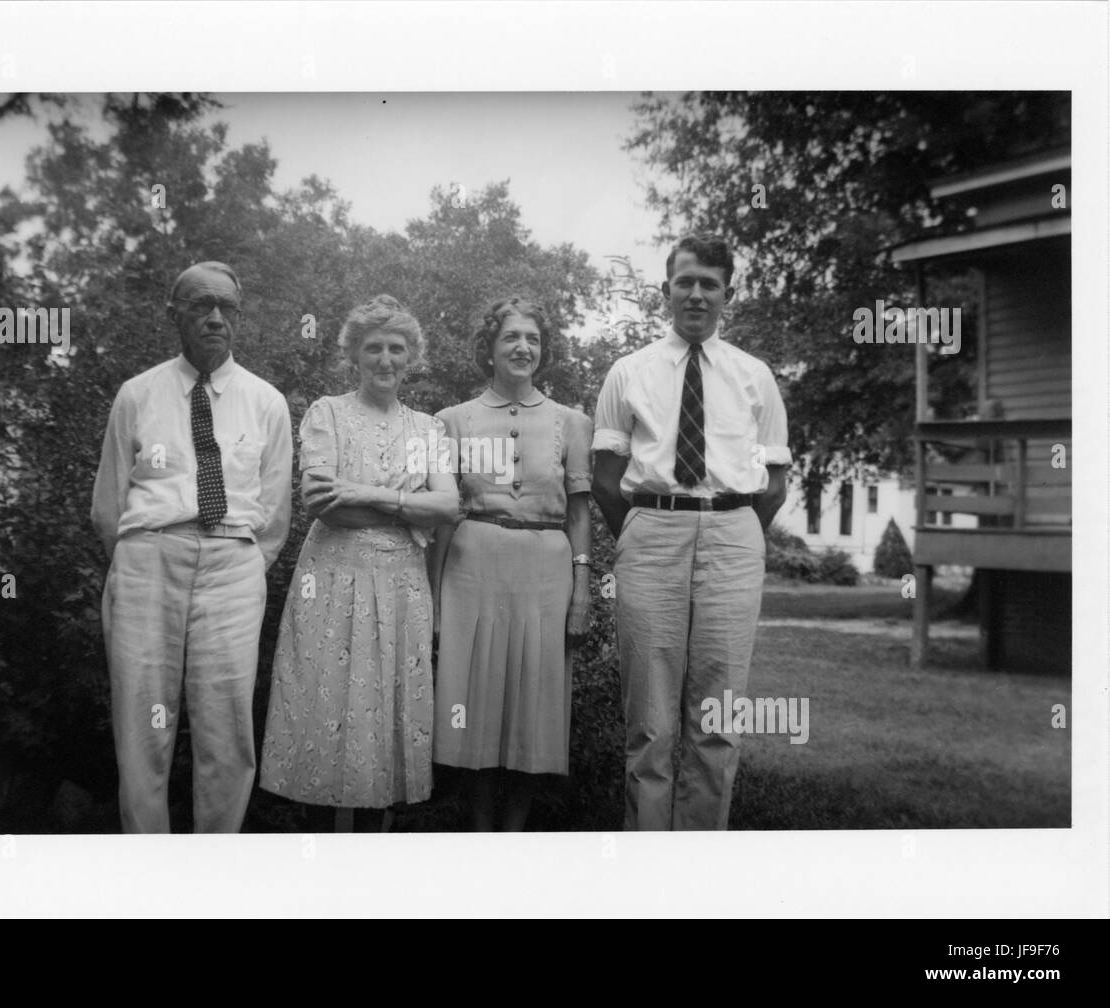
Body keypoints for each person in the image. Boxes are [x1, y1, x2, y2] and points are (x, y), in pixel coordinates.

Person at [591, 236, 791, 831]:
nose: (696, 294)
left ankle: (700, 869)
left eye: (709, 284)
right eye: (686, 282)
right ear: (665, 291)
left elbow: (774, 486)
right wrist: (649, 530)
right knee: (649, 722)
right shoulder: (629, 372)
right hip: (651, 532)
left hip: (733, 534)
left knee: (719, 719)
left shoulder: (755, 377)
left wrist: (729, 529)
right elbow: (605, 479)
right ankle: (647, 864)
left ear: (728, 294)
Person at [91, 260, 293, 833]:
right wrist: (144, 554)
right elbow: (108, 505)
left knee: (226, 727)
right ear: (173, 313)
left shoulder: (266, 402)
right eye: (200, 305)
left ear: (238, 317)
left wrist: (245, 562)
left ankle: (213, 876)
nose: (214, 318)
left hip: (232, 565)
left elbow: (275, 512)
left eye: (226, 308)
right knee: (141, 724)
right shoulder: (137, 395)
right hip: (148, 561)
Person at [259, 295, 460, 831]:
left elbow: (447, 505)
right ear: (354, 354)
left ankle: (376, 862)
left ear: (412, 355)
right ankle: (326, 857)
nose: (386, 359)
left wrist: (365, 493)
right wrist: (402, 508)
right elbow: (325, 506)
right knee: (329, 706)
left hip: (401, 585)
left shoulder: (426, 430)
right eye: (374, 347)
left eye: (397, 348)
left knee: (388, 712)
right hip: (332, 578)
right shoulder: (328, 413)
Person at [430, 298, 593, 831]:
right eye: (511, 338)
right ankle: (480, 834)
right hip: (473, 567)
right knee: (474, 700)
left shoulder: (571, 422)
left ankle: (515, 834)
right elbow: (444, 518)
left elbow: (579, 513)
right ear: (490, 349)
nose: (524, 348)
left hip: (547, 571)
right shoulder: (453, 421)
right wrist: (432, 603)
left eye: (533, 339)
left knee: (533, 697)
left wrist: (583, 588)